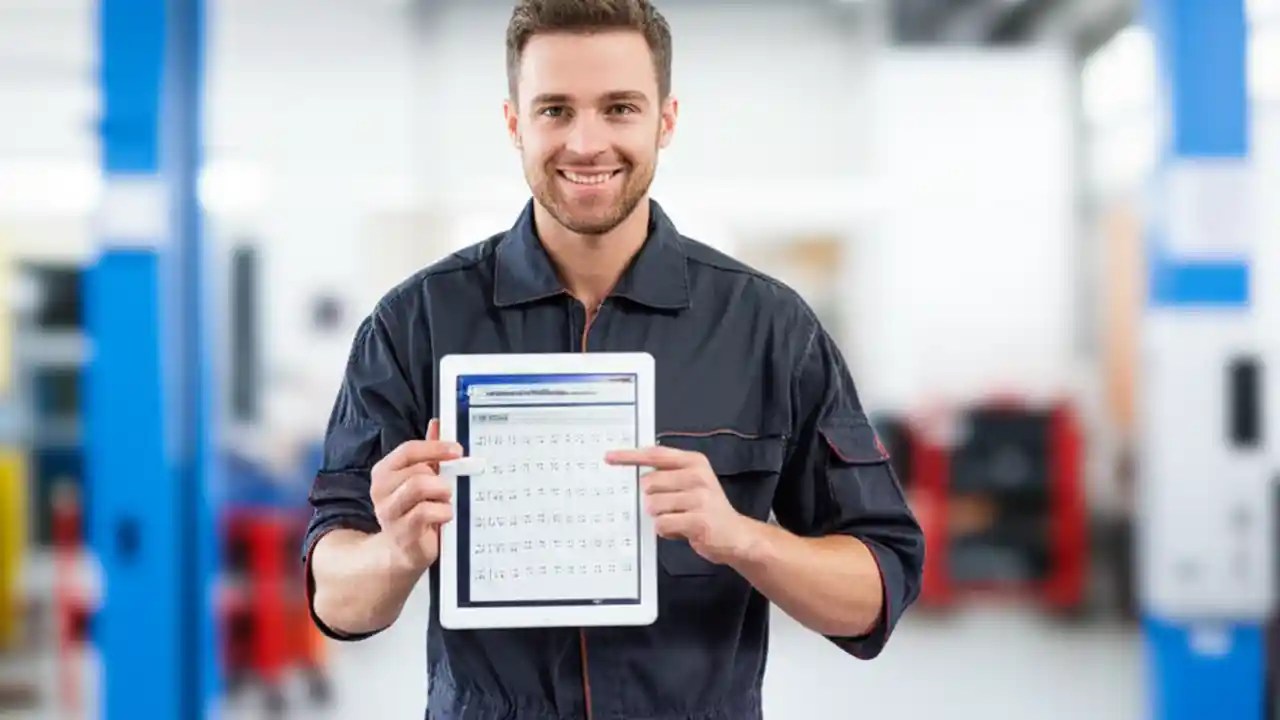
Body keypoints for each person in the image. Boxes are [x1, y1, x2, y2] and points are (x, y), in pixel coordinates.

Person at [303, 1, 925, 718]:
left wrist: (742, 539)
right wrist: (397, 552)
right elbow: (336, 598)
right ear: (515, 124)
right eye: (556, 110)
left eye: (620, 108)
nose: (586, 142)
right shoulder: (412, 325)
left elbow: (877, 587)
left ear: (666, 119)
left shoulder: (769, 329)